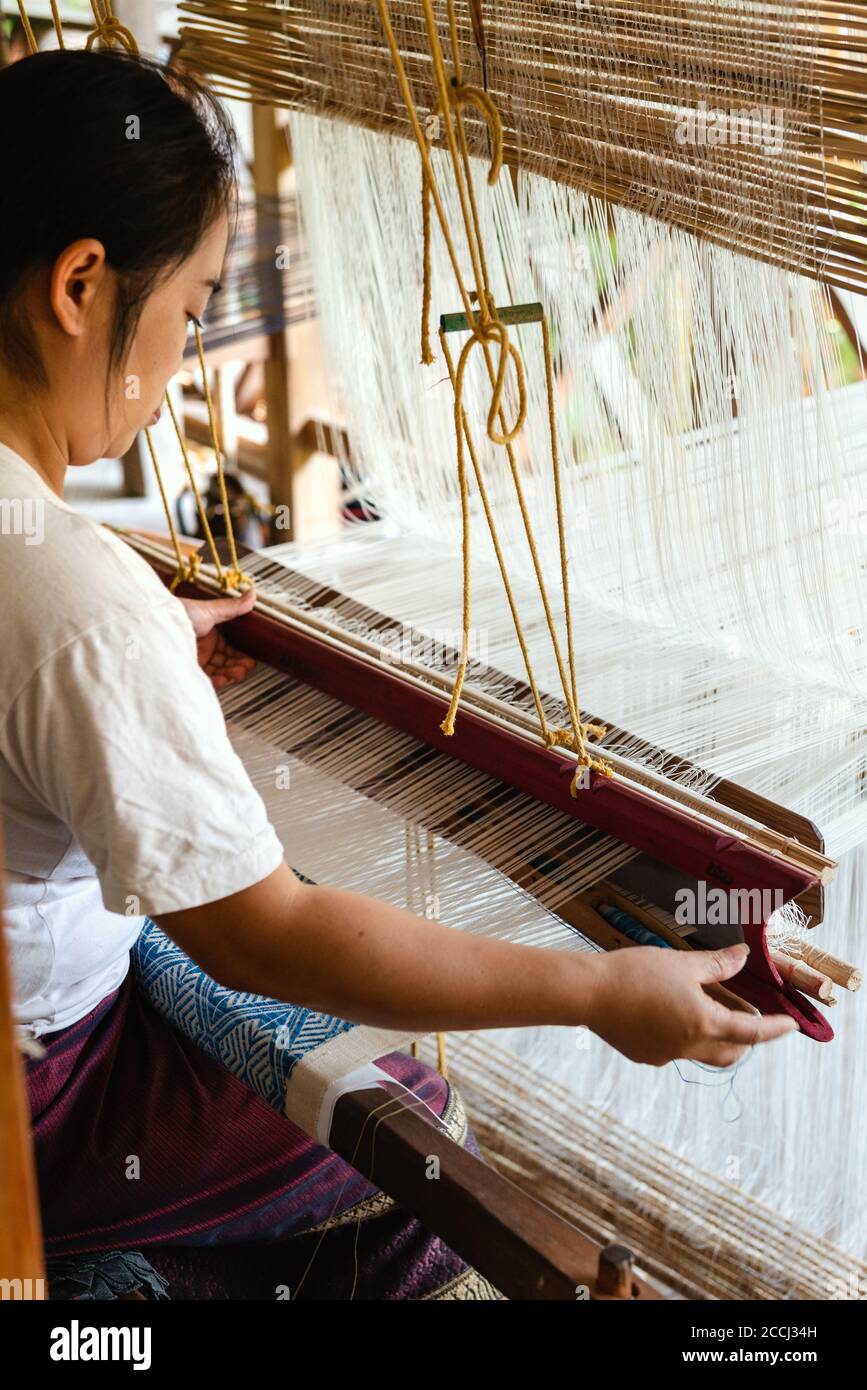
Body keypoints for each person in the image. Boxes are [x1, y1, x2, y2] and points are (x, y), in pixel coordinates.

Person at [0, 48, 797, 1301]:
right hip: (41, 1098)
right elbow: (269, 934)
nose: (190, 351)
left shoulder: (59, 581)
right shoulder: (79, 605)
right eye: (194, 306)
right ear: (82, 284)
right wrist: (596, 993)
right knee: (410, 1130)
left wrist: (123, 677)